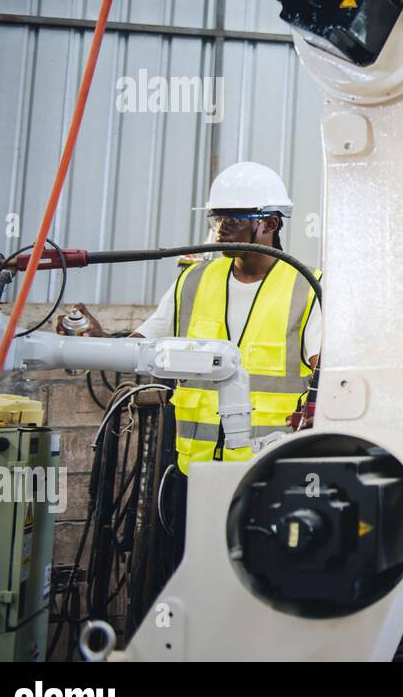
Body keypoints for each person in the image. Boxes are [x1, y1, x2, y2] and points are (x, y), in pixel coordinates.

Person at [63, 162, 322, 546]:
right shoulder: (194, 279)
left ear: (269, 223)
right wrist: (96, 341)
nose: (221, 228)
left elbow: (328, 374)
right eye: (217, 217)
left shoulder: (306, 286)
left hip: (270, 474)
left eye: (234, 217)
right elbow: (142, 343)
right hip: (193, 473)